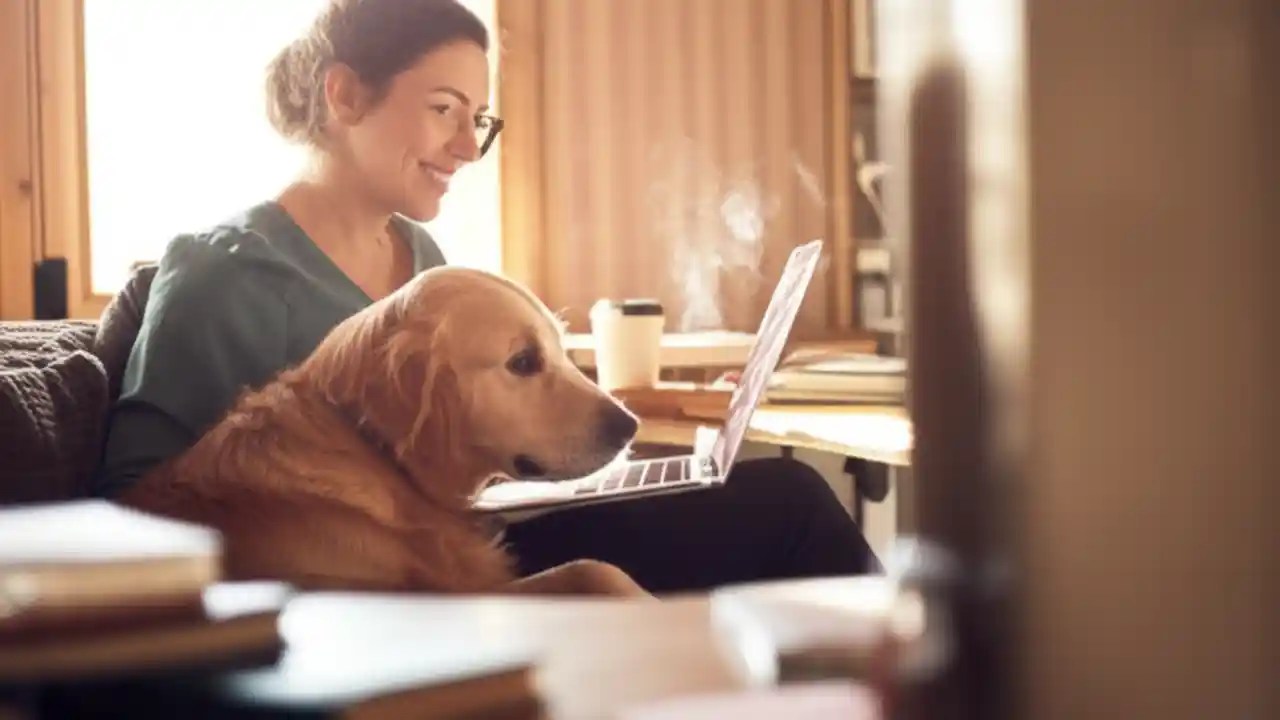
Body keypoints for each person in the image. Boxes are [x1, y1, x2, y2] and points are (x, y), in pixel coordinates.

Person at [95, 0, 879, 594]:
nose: (469, 147)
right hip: (362, 588)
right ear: (344, 97)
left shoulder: (424, 259)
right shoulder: (221, 272)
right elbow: (137, 512)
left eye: (480, 120)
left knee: (780, 494)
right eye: (444, 110)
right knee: (788, 507)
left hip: (475, 529)